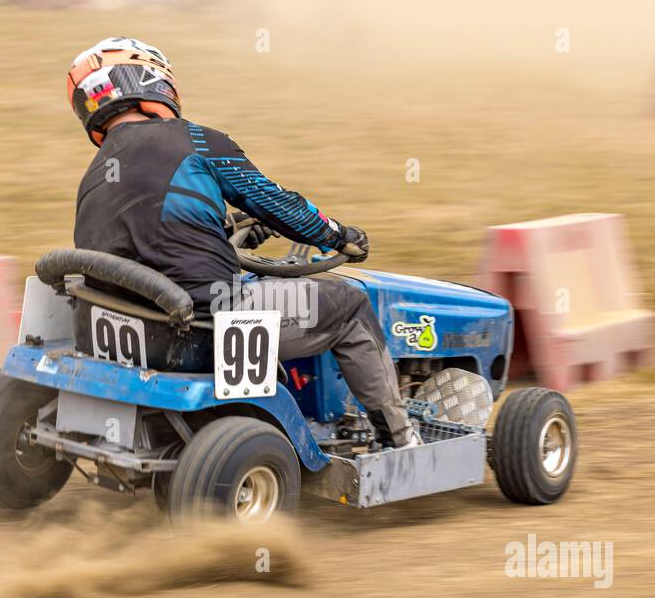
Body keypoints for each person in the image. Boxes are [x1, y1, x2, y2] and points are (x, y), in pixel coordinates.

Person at [66, 37, 421, 448]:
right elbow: (281, 206)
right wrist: (339, 235)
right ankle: (401, 439)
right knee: (350, 307)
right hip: (203, 322)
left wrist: (232, 227)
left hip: (128, 328)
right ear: (149, 79)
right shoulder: (195, 141)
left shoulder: (95, 174)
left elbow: (153, 235)